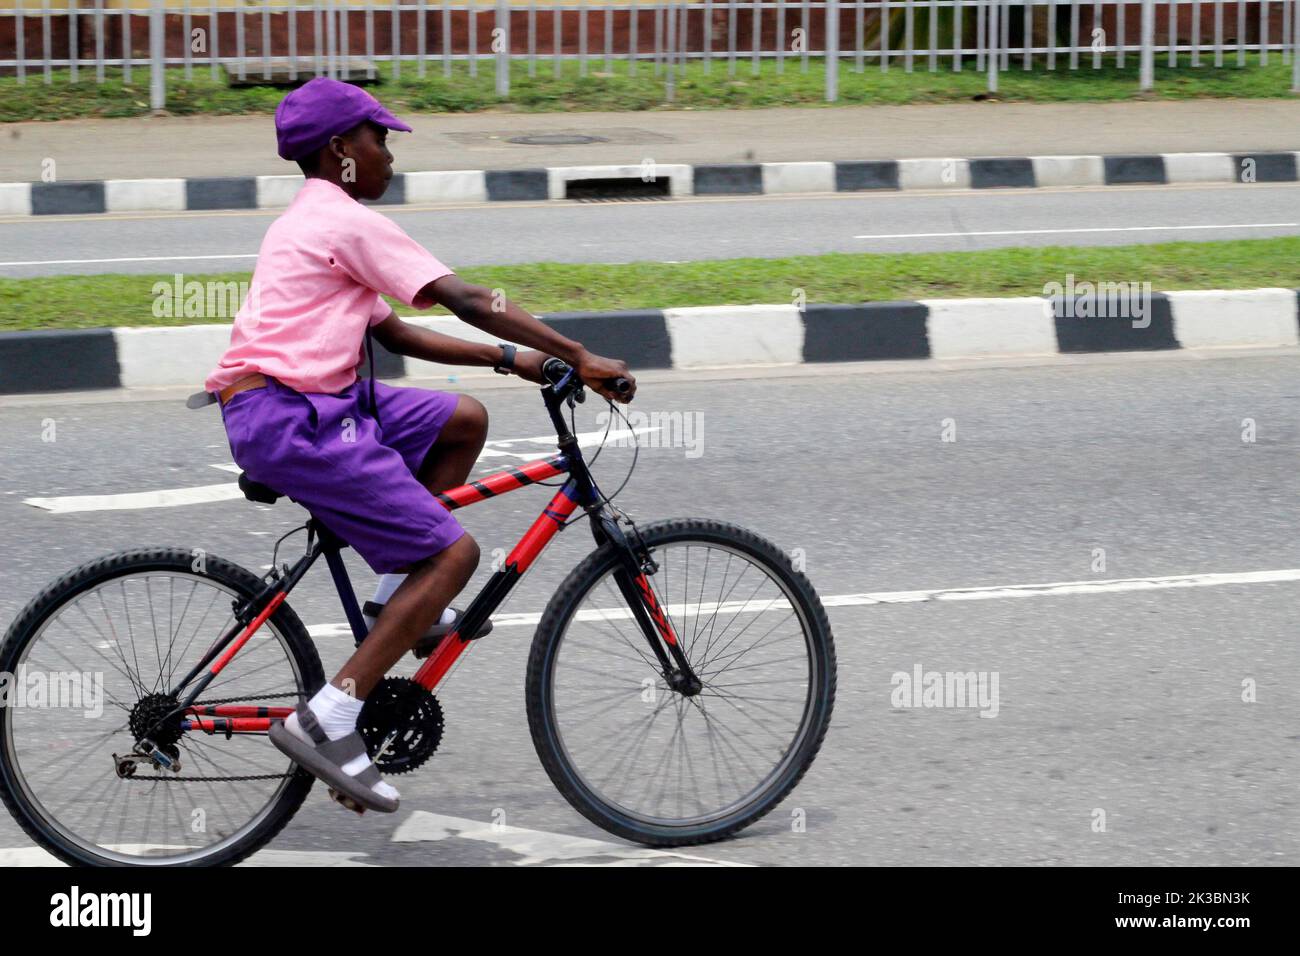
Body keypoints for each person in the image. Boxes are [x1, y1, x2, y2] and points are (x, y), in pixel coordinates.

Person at [202, 77, 635, 813]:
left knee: (460, 421)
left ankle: (388, 603)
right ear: (340, 150)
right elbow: (470, 299)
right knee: (454, 556)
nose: (390, 153)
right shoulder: (344, 222)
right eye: (378, 138)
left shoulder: (313, 218)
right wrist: (579, 353)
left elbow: (392, 330)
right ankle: (329, 718)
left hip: (306, 402)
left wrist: (516, 362)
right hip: (294, 417)